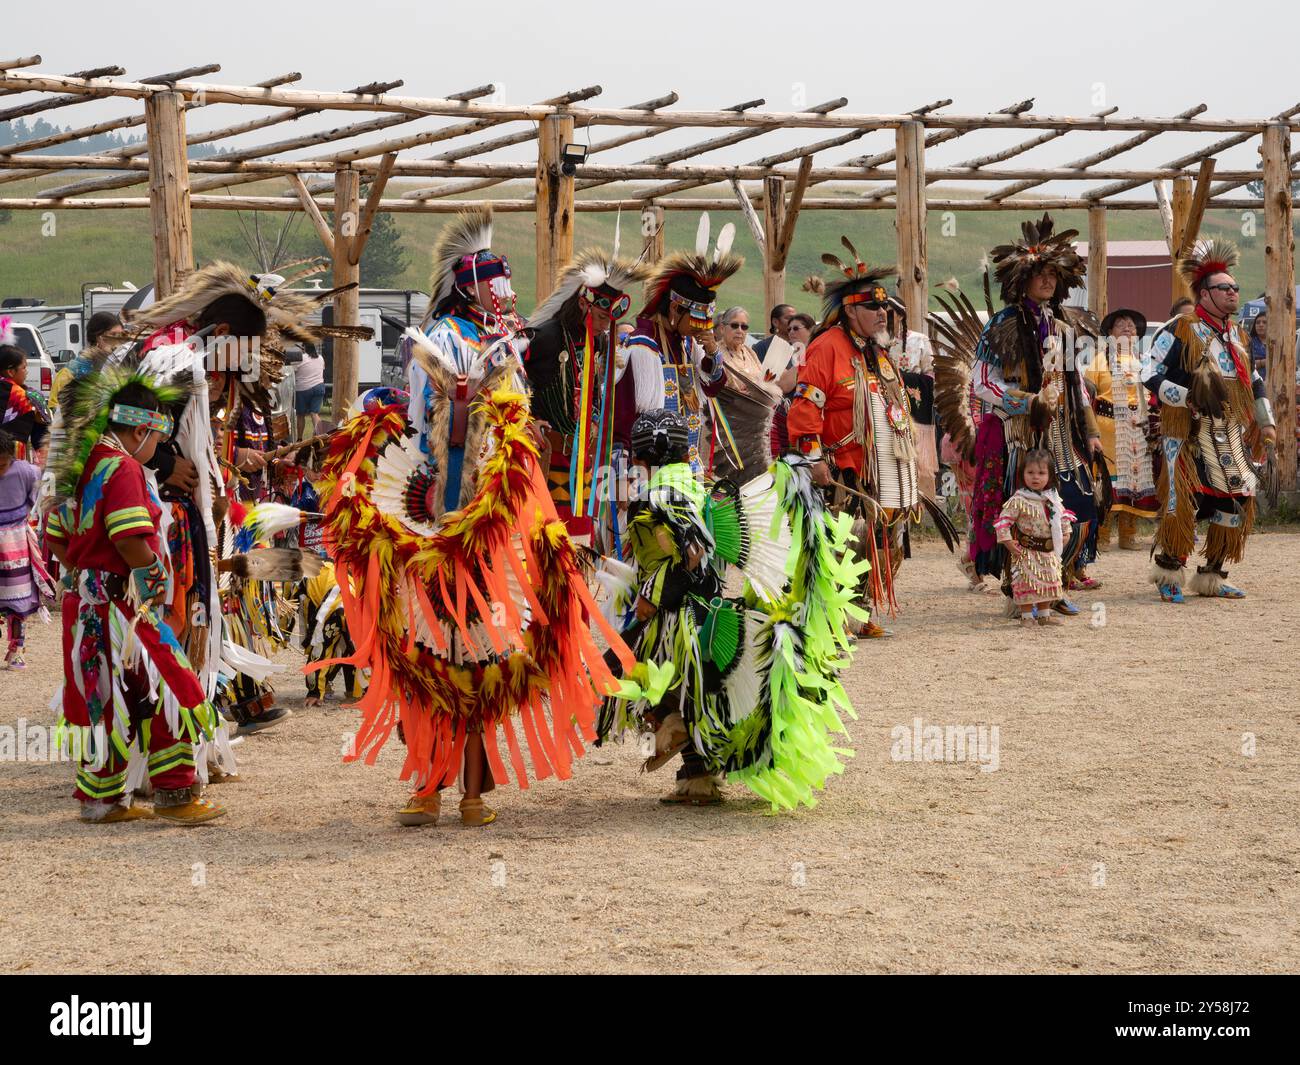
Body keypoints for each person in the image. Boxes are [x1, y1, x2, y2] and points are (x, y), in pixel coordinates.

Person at [316, 207, 631, 828]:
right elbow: (421, 413)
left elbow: (518, 408)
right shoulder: (444, 339)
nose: (505, 296)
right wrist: (461, 429)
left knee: (483, 648)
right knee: (426, 646)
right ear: (470, 286)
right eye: (495, 285)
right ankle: (431, 787)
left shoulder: (505, 340)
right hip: (437, 506)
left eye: (506, 287)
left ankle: (471, 792)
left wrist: (524, 429)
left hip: (499, 512)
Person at [596, 410, 862, 810]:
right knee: (693, 694)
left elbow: (694, 553)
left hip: (678, 618)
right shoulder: (693, 487)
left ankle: (681, 742)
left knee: (648, 683)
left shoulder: (658, 496)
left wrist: (652, 596)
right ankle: (697, 779)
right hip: (705, 612)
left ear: (643, 458)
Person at [45, 371, 225, 824]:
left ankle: (101, 800)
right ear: (142, 430)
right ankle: (176, 795)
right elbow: (128, 537)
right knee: (170, 686)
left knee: (104, 699)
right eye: (155, 439)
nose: (155, 452)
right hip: (124, 608)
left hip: (85, 607)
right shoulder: (121, 467)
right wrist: (152, 577)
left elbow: (55, 537)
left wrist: (87, 575)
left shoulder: (80, 467)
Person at [785, 238, 929, 634]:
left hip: (878, 467)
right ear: (850, 311)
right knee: (842, 542)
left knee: (882, 541)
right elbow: (804, 406)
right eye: (873, 307)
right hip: (840, 470)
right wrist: (813, 457)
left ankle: (860, 611)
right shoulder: (826, 348)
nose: (883, 313)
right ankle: (831, 617)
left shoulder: (876, 352)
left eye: (885, 306)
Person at [960, 214, 1102, 616]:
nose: (1047, 281)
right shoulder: (1002, 325)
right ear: (1021, 279)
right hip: (1018, 432)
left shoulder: (1063, 327)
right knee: (1020, 508)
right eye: (1039, 274)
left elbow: (1076, 386)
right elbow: (981, 382)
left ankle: (1055, 582)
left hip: (1060, 432)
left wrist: (1089, 431)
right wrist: (1025, 402)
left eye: (1053, 275)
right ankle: (1019, 588)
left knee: (1076, 503)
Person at [1143, 239, 1276, 601]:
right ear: (1204, 294)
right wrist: (1189, 398)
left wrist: (1266, 422)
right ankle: (1169, 573)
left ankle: (1212, 576)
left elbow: (1255, 382)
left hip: (1229, 432)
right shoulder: (1179, 328)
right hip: (1187, 432)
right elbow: (1149, 373)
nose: (1233, 293)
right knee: (1183, 503)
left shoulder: (1238, 335)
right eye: (1225, 288)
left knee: (1237, 500)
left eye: (1235, 288)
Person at [523, 248, 647, 546]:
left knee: (580, 539)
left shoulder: (598, 341)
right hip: (548, 457)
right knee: (547, 537)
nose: (607, 324)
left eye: (610, 318)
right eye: (603, 315)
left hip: (583, 459)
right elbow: (515, 381)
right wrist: (527, 419)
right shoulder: (547, 337)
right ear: (583, 303)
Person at [613, 214, 739, 475]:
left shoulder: (687, 346)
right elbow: (622, 418)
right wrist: (621, 476)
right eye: (696, 318)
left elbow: (712, 387)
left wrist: (713, 352)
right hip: (648, 473)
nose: (701, 326)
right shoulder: (640, 347)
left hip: (687, 467)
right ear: (674, 307)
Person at [1088, 308, 1157, 550]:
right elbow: (1088, 397)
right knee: (1106, 482)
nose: (1128, 328)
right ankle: (1103, 534)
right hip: (1108, 429)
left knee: (1136, 480)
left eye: (1131, 325)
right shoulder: (1099, 360)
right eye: (1121, 325)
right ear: (1110, 333)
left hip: (1138, 429)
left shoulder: (1146, 362)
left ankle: (1128, 534)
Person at [994, 448, 1076, 628]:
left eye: (1041, 473)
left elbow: (1062, 518)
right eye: (1030, 472)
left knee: (1048, 581)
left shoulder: (1053, 498)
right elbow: (1003, 522)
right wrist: (1008, 542)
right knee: (1026, 582)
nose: (1035, 477)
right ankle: (1026, 617)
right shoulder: (1019, 499)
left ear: (1050, 475)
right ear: (1022, 474)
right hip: (1026, 552)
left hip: (1048, 551)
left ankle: (1044, 615)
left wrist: (1066, 533)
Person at [708, 305, 783, 484]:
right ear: (721, 328)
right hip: (726, 423)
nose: (740, 331)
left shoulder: (749, 352)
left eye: (744, 327)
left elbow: (764, 381)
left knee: (752, 476)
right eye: (734, 326)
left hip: (754, 425)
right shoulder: (715, 355)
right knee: (728, 474)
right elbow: (721, 386)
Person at [0, 430, 52, 669]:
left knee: (18, 602)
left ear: (11, 457)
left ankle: (18, 649)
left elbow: (48, 483)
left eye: (2, 465)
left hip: (16, 542)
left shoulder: (25, 471)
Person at [0, 319, 51, 461]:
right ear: (10, 372)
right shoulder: (28, 397)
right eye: (24, 367)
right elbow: (40, 437)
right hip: (11, 462)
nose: (26, 372)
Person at [49, 311, 119, 411]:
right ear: (99, 338)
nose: (120, 340)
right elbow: (54, 408)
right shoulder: (72, 372)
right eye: (113, 334)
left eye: (122, 334)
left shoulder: (123, 366)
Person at [293, 342, 327, 439]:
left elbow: (293, 371)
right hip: (319, 387)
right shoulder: (320, 358)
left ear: (303, 348)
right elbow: (322, 369)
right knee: (314, 414)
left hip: (303, 389)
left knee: (300, 415)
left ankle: (299, 439)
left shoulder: (300, 358)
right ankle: (320, 436)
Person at [1247, 311, 1268, 380]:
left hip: (1276, 383)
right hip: (1255, 383)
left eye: (1264, 322)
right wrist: (1263, 362)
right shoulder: (1248, 342)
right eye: (1258, 322)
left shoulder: (1278, 343)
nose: (1261, 325)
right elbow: (1246, 364)